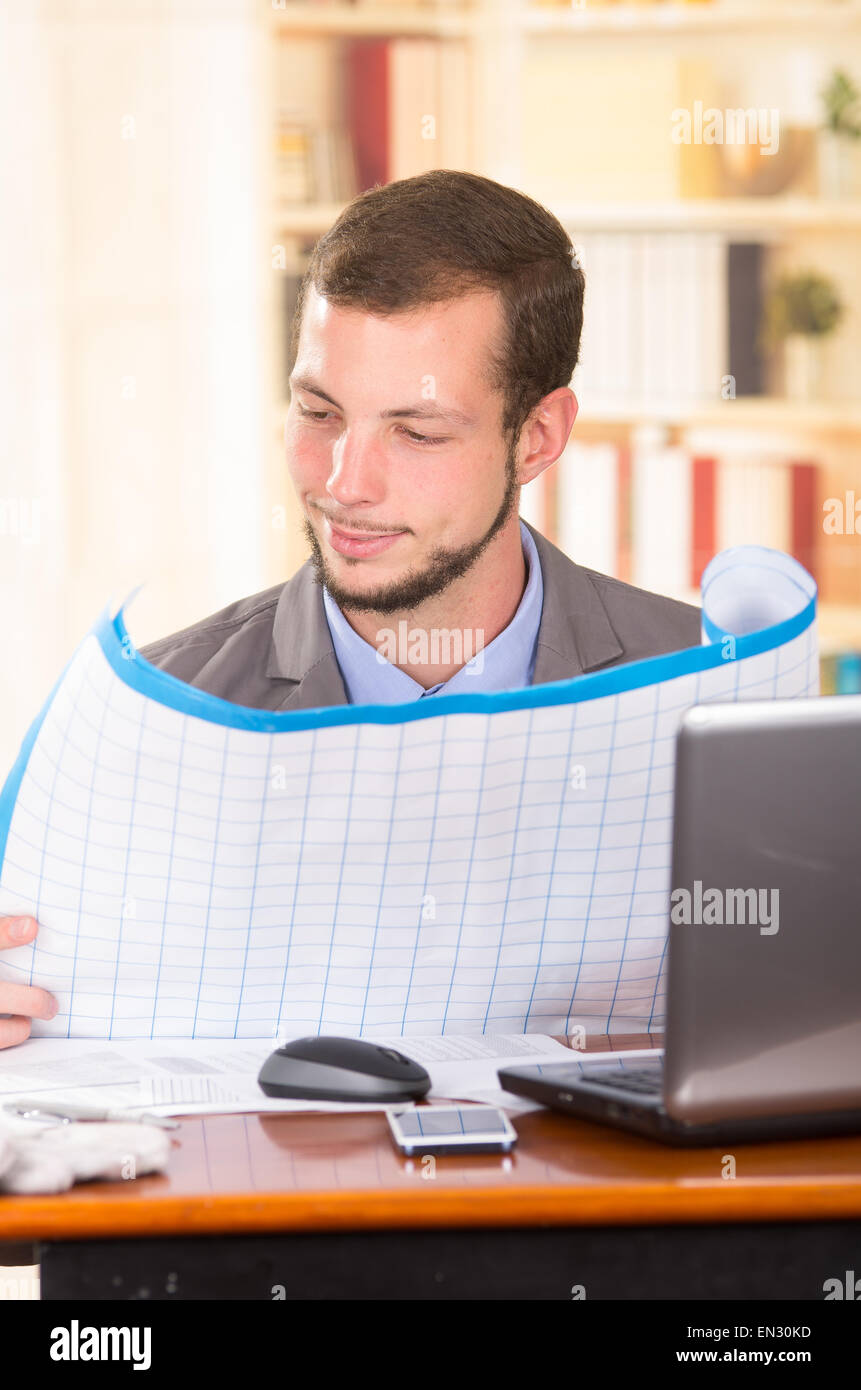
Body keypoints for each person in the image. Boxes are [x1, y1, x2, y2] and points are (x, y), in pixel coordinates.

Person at [0, 170, 700, 1045]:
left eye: (417, 431)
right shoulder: (140, 719)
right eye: (318, 411)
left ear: (538, 438)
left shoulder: (708, 695)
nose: (344, 484)